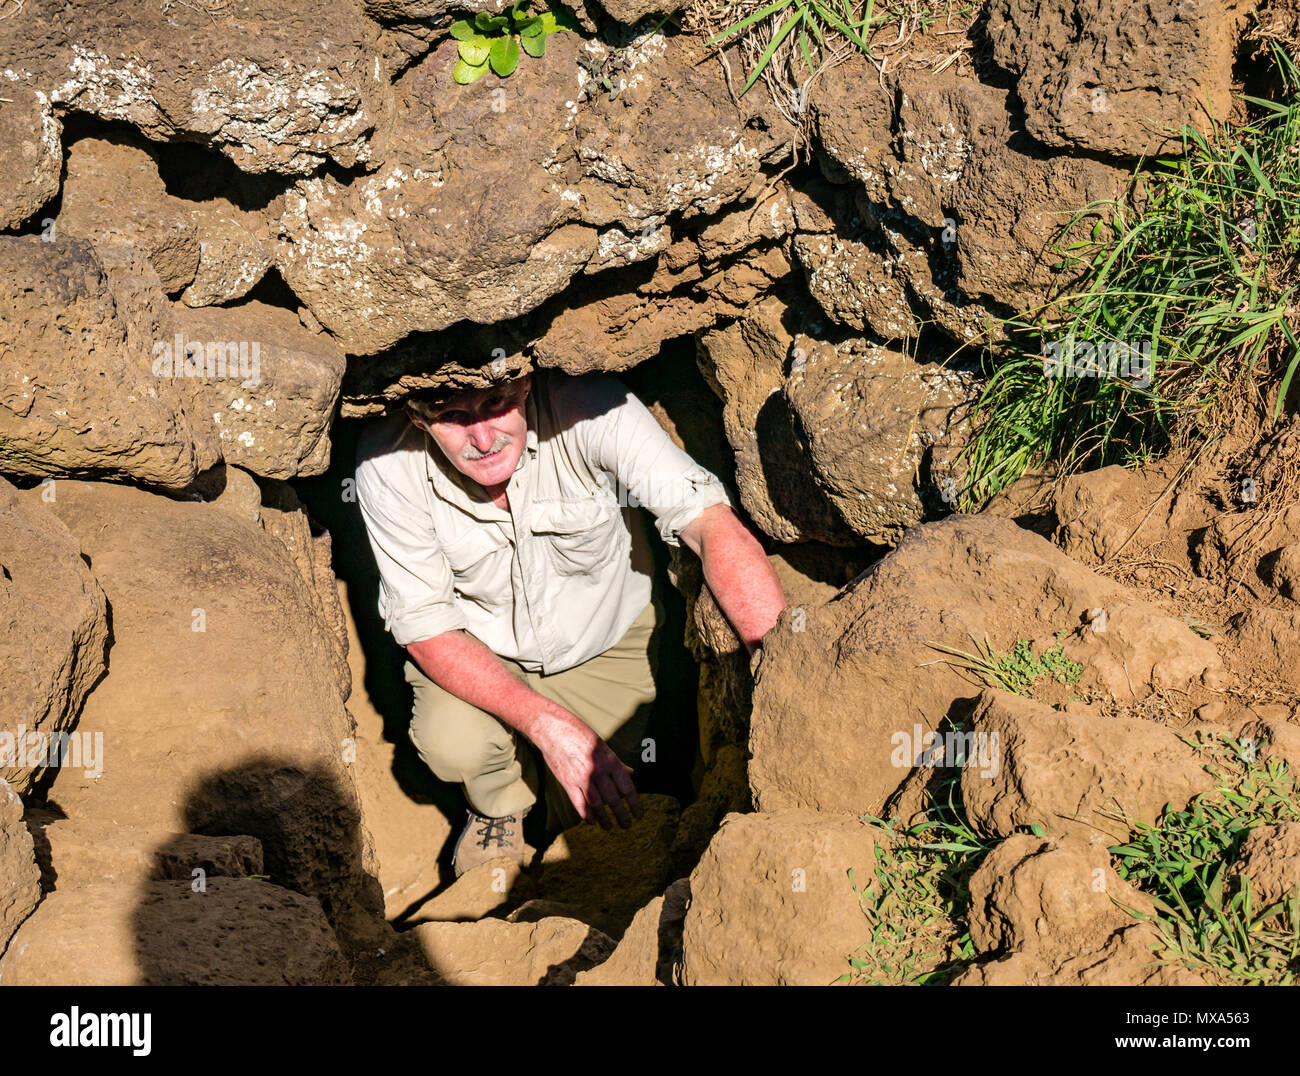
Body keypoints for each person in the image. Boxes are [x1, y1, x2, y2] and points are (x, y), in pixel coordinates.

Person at [355, 368, 787, 876]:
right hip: (482, 651)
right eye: (454, 417)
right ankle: (499, 807)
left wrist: (776, 667)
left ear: (524, 387)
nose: (483, 438)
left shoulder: (592, 407)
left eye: (496, 404)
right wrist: (548, 724)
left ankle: (556, 851)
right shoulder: (387, 462)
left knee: (598, 819)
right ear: (418, 419)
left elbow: (710, 524)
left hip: (603, 644)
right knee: (453, 741)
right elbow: (427, 627)